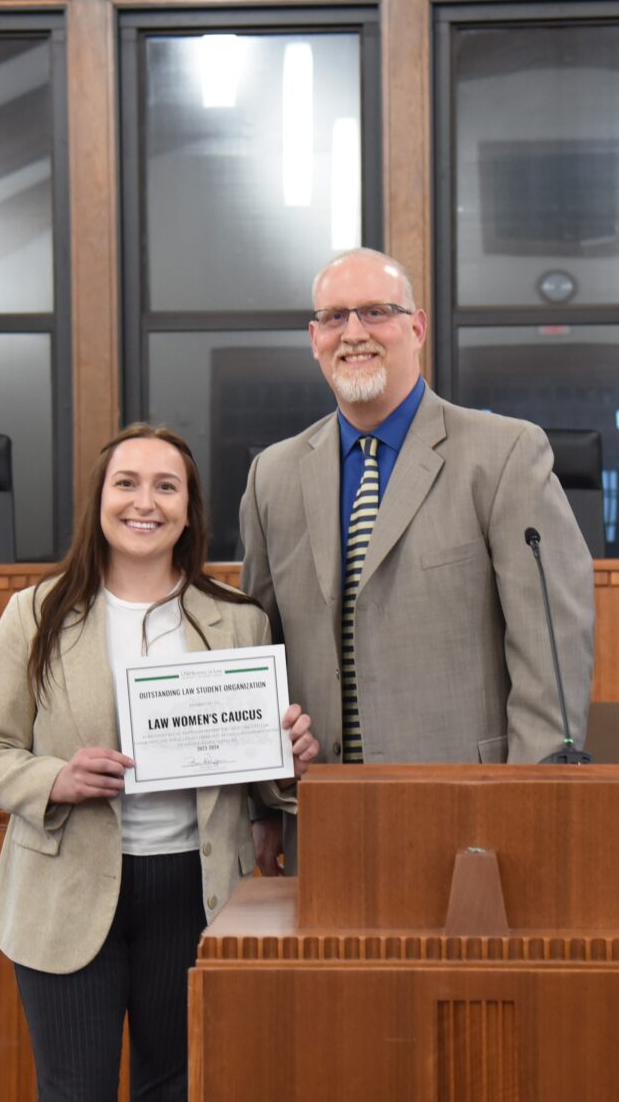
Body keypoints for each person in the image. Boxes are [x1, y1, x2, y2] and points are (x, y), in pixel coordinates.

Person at [0, 424, 317, 1102]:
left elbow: (260, 784)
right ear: (99, 500)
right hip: (67, 889)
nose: (144, 501)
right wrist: (56, 775)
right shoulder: (38, 613)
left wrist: (288, 752)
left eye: (166, 486)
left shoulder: (239, 621)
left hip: (191, 891)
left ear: (190, 513)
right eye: (127, 483)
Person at [238, 247, 595, 871]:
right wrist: (263, 803)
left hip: (471, 817)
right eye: (335, 317)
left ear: (417, 328)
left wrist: (533, 804)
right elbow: (257, 652)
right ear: (315, 337)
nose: (354, 333)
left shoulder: (504, 453)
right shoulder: (273, 475)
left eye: (376, 312)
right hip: (320, 821)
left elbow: (550, 651)